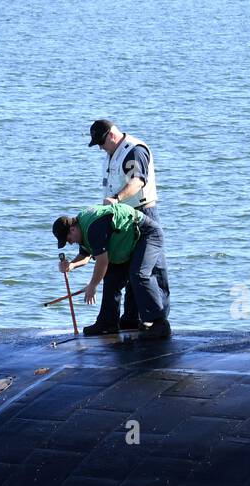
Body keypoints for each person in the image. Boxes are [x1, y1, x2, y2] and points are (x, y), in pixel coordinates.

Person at [82, 119, 159, 335]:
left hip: (141, 215)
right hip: (121, 218)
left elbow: (137, 181)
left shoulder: (134, 150)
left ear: (111, 136)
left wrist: (116, 199)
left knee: (139, 270)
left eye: (100, 142)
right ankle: (114, 320)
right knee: (117, 269)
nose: (99, 147)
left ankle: (136, 319)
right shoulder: (113, 153)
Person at [53, 202, 170, 341]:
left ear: (72, 230)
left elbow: (102, 261)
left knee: (138, 274)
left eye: (68, 240)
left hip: (147, 234)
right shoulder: (82, 229)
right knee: (112, 279)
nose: (70, 243)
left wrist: (92, 286)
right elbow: (85, 256)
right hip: (127, 241)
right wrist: (71, 265)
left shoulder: (93, 228)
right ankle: (108, 324)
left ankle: (159, 323)